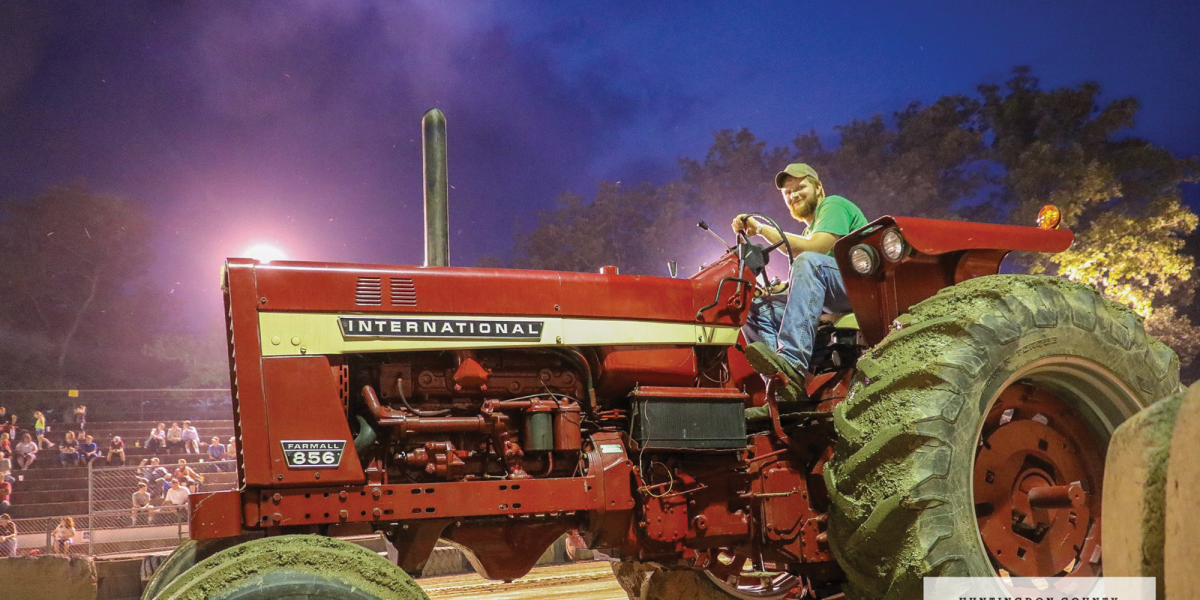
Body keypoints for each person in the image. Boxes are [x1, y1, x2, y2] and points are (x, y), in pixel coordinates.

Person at [732, 163, 868, 411]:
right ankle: (782, 390)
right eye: (788, 193)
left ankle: (792, 367)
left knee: (807, 261)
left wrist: (760, 228)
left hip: (861, 287)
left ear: (818, 188)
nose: (793, 195)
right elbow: (808, 264)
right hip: (834, 293)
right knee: (755, 306)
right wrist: (779, 290)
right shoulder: (808, 230)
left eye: (800, 187)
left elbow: (814, 250)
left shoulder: (833, 205)